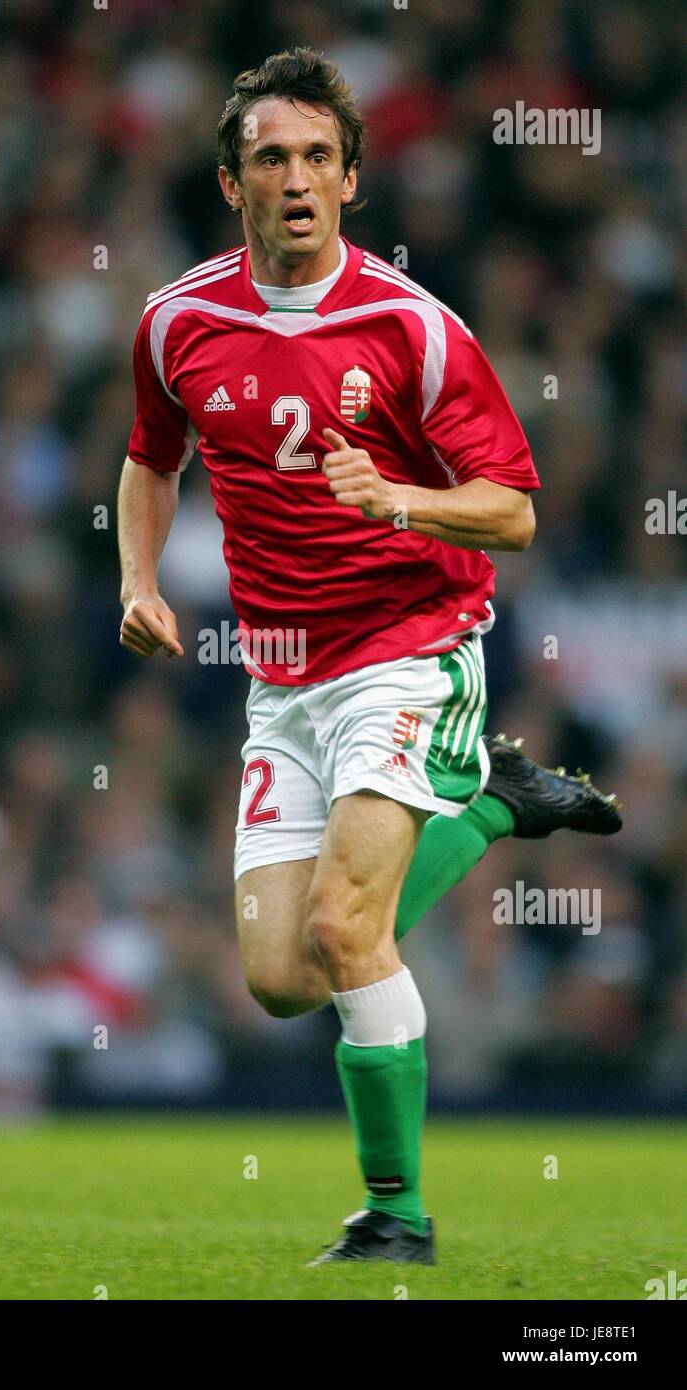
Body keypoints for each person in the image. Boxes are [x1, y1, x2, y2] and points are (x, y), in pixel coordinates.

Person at [117, 48, 621, 1266]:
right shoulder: (178, 319)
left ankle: (394, 1214)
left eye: (316, 158)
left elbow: (509, 509)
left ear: (351, 179)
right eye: (269, 157)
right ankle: (494, 800)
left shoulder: (410, 329)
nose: (294, 178)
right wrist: (136, 578)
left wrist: (396, 497)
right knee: (281, 980)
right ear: (230, 181)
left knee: (349, 931)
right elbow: (150, 457)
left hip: (409, 650)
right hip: (280, 677)